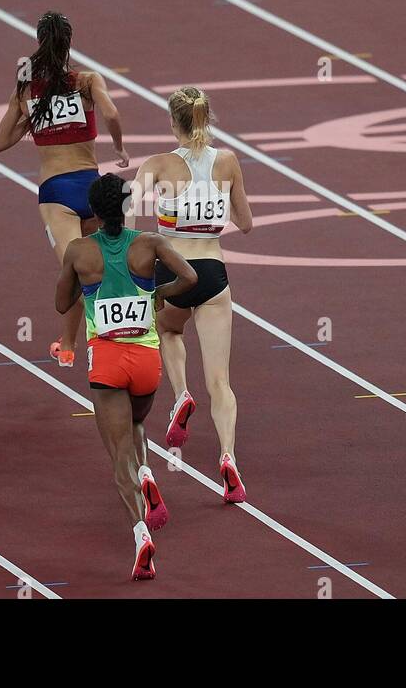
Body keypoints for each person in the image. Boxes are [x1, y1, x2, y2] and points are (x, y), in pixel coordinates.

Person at [55, 173, 196, 580]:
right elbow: (189, 277)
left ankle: (140, 535)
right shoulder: (150, 243)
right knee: (136, 421)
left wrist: (82, 282)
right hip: (146, 362)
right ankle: (148, 471)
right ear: (127, 206)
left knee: (119, 455)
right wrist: (155, 295)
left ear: (94, 212)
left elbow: (62, 303)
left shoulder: (79, 250)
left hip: (107, 360)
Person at [128, 88, 253, 503]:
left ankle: (181, 393)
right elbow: (246, 222)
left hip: (174, 271)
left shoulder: (161, 164)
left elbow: (127, 211)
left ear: (173, 123)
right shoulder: (228, 161)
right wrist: (218, 206)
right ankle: (229, 458)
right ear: (206, 119)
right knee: (223, 382)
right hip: (214, 274)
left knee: (167, 330)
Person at [0, 11, 127, 369]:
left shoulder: (26, 89)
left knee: (75, 268)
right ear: (69, 43)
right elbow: (112, 113)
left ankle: (85, 343)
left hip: (56, 192)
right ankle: (70, 344)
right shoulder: (86, 81)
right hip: (91, 184)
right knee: (92, 268)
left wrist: (32, 116)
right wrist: (119, 148)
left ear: (39, 42)